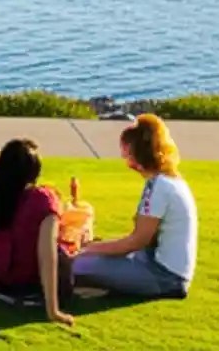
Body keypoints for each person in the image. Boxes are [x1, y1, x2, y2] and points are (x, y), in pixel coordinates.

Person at [74, 114, 197, 298]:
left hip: (164, 276)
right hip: (154, 264)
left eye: (127, 152)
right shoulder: (168, 181)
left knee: (76, 263)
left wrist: (88, 249)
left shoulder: (160, 186)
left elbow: (137, 241)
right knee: (92, 259)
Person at [0, 139, 75, 326]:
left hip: (0, 281)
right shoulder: (44, 201)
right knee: (63, 256)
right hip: (29, 283)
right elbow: (48, 257)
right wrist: (53, 311)